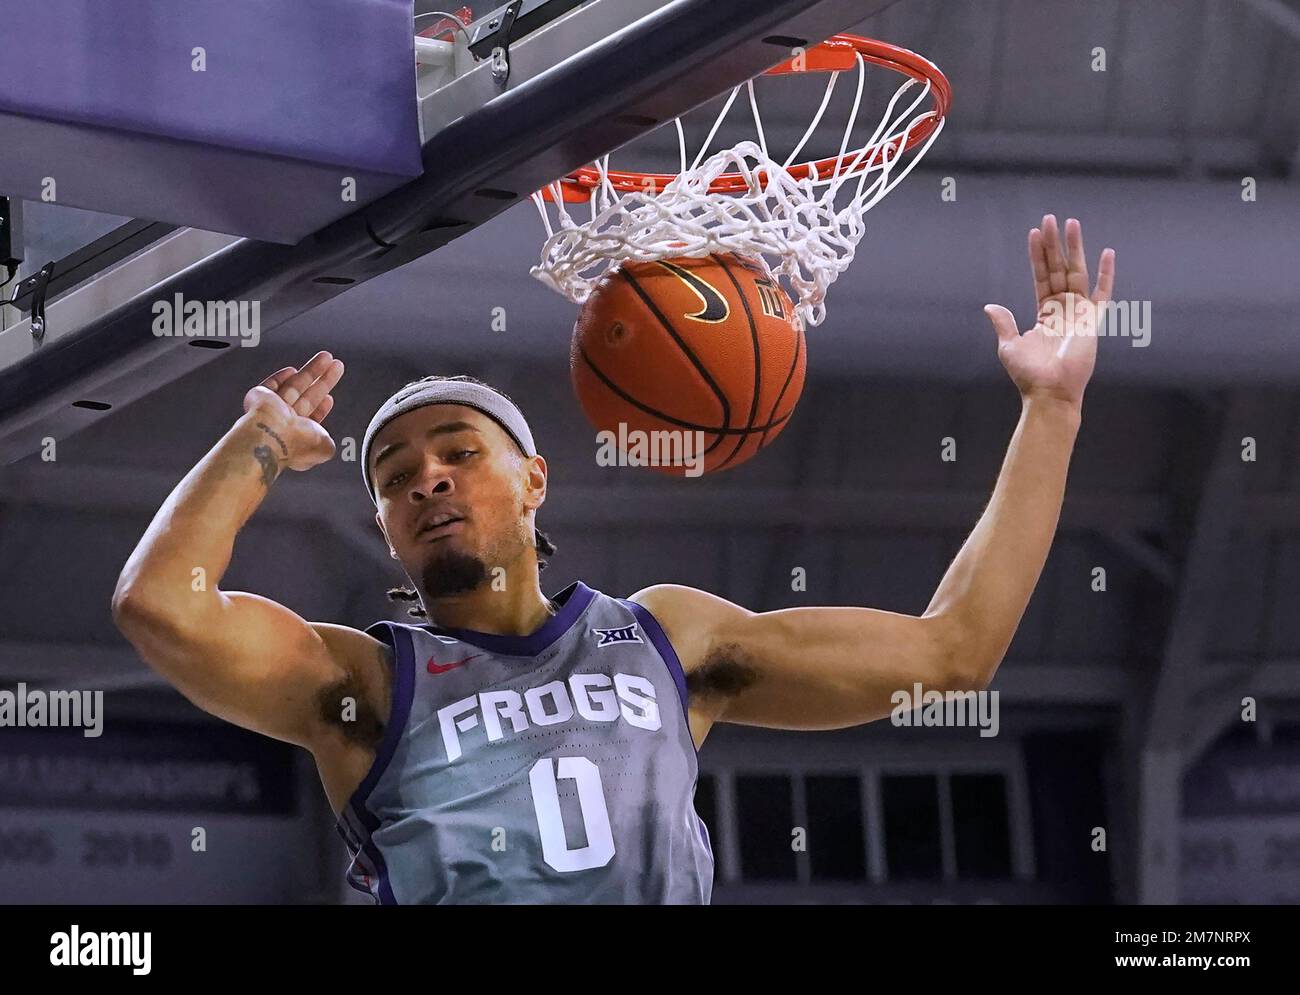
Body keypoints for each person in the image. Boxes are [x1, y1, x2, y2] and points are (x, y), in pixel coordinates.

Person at [112, 215, 1115, 904]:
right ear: (382, 524)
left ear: (536, 479)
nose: (426, 479)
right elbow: (162, 603)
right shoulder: (365, 683)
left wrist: (1052, 411)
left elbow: (952, 654)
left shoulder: (664, 636)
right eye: (394, 473)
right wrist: (259, 445)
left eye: (459, 452)